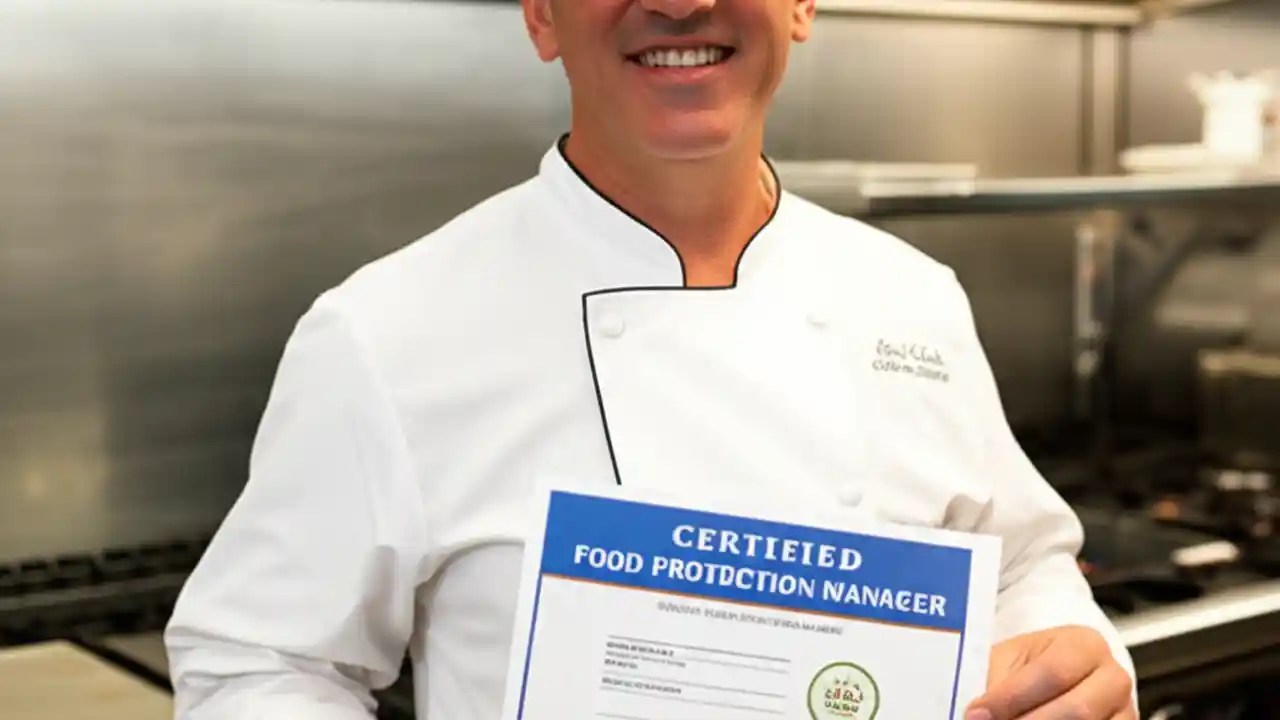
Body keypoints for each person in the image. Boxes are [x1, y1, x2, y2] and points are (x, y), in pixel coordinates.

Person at [165, 1, 1138, 719]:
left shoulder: (911, 294)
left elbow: (1020, 568)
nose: (678, 3)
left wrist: (1079, 658)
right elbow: (258, 665)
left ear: (799, 6)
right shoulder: (384, 333)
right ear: (539, 16)